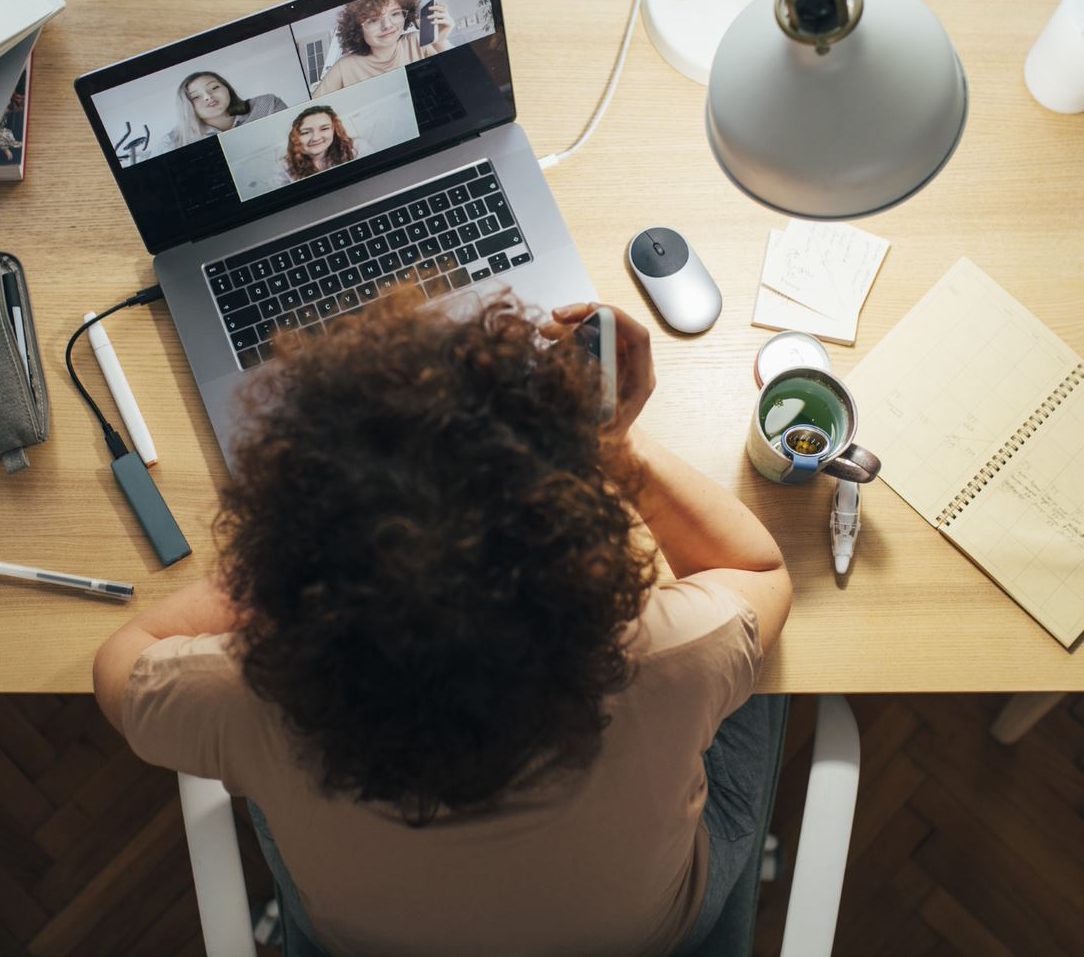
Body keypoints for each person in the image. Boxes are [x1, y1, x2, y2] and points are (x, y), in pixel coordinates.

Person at [93, 292, 792, 956]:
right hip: (647, 935)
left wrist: (287, 558)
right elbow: (761, 571)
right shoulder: (667, 655)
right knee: (758, 677)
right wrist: (614, 448)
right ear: (575, 549)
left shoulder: (248, 697)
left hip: (369, 942)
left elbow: (120, 658)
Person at [311, 0, 453, 94]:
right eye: (373, 20)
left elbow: (465, 81)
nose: (387, 25)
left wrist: (440, 41)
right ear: (357, 30)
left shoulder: (418, 42)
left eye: (395, 13)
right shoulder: (343, 68)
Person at [176, 70, 287, 147]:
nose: (208, 97)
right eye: (195, 96)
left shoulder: (268, 104)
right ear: (186, 107)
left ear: (228, 89)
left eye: (214, 87)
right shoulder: (176, 141)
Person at [283, 105, 357, 181]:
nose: (316, 138)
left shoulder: (356, 147)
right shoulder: (284, 169)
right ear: (295, 137)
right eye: (305, 132)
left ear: (334, 130)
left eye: (324, 128)